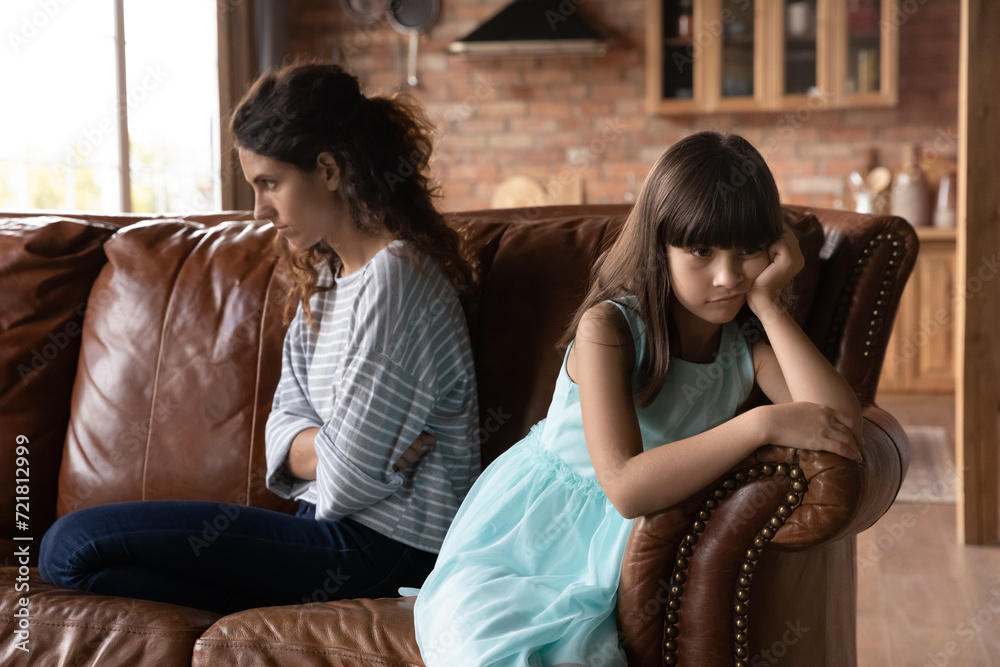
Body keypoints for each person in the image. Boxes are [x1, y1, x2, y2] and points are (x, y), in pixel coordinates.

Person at [38, 62, 480, 615]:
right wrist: (342, 449)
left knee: (70, 545)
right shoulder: (324, 280)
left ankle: (244, 610)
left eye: (269, 183)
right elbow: (282, 435)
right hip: (329, 532)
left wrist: (335, 454)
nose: (258, 210)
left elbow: (343, 485)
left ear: (329, 170)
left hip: (388, 549)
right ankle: (246, 615)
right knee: (80, 563)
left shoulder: (396, 278)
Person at [412, 131, 862, 665]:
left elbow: (838, 423)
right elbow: (625, 486)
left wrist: (769, 305)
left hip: (625, 551)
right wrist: (760, 424)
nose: (727, 276)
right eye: (700, 250)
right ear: (659, 246)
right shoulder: (608, 328)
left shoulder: (744, 346)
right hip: (529, 543)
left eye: (746, 253)